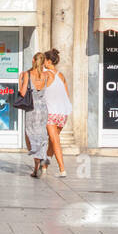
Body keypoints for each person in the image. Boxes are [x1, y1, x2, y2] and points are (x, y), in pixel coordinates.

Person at [18, 52, 50, 179]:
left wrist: (20, 81)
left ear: (33, 60)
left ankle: (38, 160)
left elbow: (22, 92)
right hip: (43, 108)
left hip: (32, 108)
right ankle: (39, 165)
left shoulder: (27, 74)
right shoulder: (46, 75)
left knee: (31, 135)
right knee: (42, 135)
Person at [43, 48, 72, 177]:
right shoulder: (61, 75)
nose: (43, 62)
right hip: (63, 113)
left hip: (51, 112)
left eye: (44, 60)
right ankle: (44, 166)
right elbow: (66, 94)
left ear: (49, 61)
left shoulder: (46, 74)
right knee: (52, 141)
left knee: (55, 141)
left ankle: (62, 169)